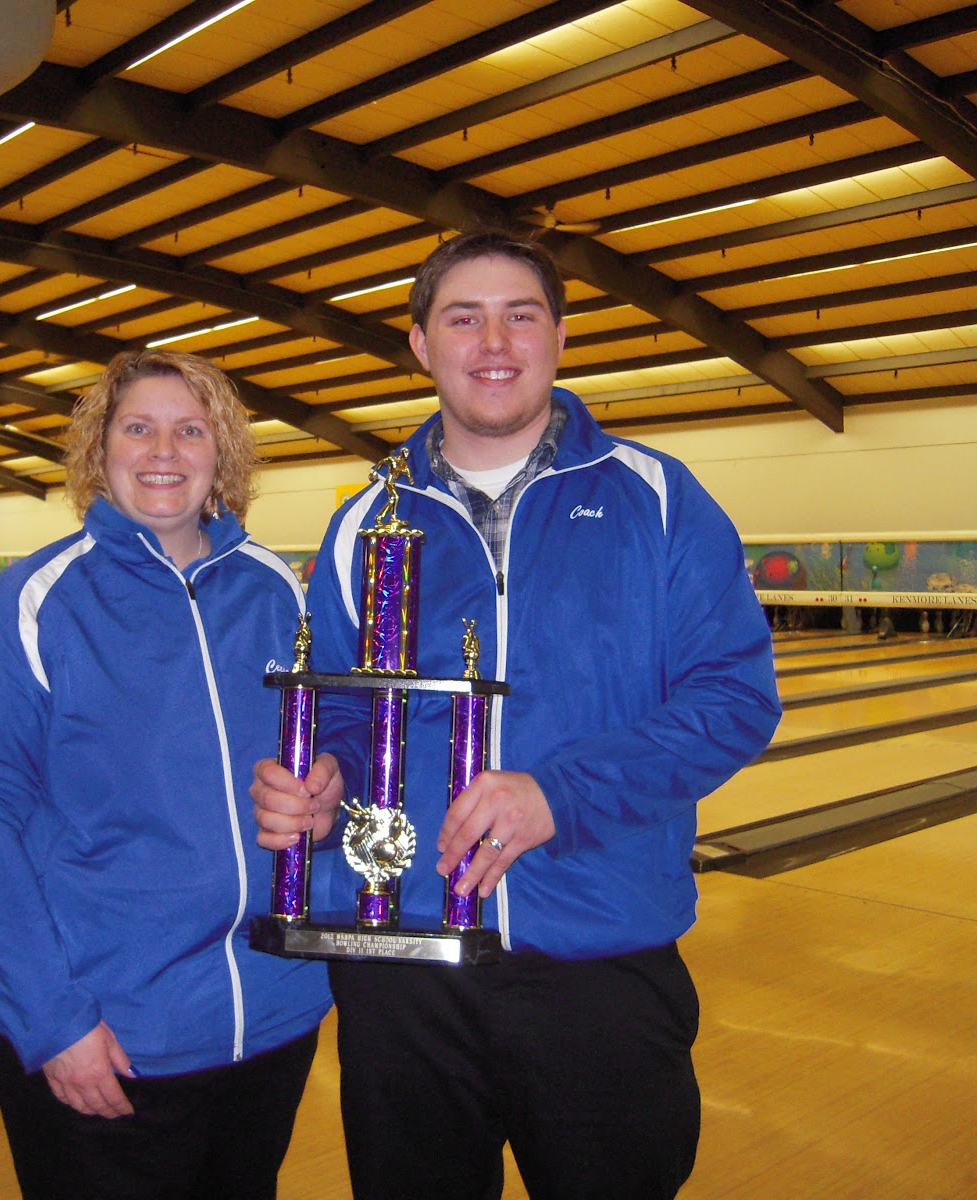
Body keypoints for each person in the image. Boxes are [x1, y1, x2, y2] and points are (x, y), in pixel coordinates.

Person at [252, 231, 782, 1199]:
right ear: (420, 344)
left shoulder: (657, 500)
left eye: (520, 315)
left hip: (599, 969)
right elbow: (338, 711)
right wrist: (325, 783)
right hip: (402, 974)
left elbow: (736, 697)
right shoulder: (362, 522)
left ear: (560, 337)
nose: (493, 341)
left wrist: (559, 798)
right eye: (463, 317)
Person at [0, 348, 341, 1200]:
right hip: (107, 1032)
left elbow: (333, 747)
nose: (164, 450)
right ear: (99, 450)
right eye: (138, 427)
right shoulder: (39, 600)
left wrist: (332, 782)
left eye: (191, 430)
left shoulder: (276, 591)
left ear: (221, 452)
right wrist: (49, 1020)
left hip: (271, 1019)